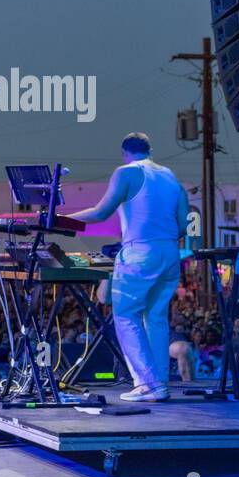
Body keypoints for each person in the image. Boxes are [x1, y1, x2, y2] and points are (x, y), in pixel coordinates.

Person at [67, 132, 188, 402]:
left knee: (126, 315)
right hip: (169, 252)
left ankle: (147, 384)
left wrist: (61, 219)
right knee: (156, 317)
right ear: (150, 150)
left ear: (125, 152)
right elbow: (181, 224)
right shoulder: (170, 177)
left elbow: (101, 212)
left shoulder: (126, 173)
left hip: (139, 252)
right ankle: (160, 383)